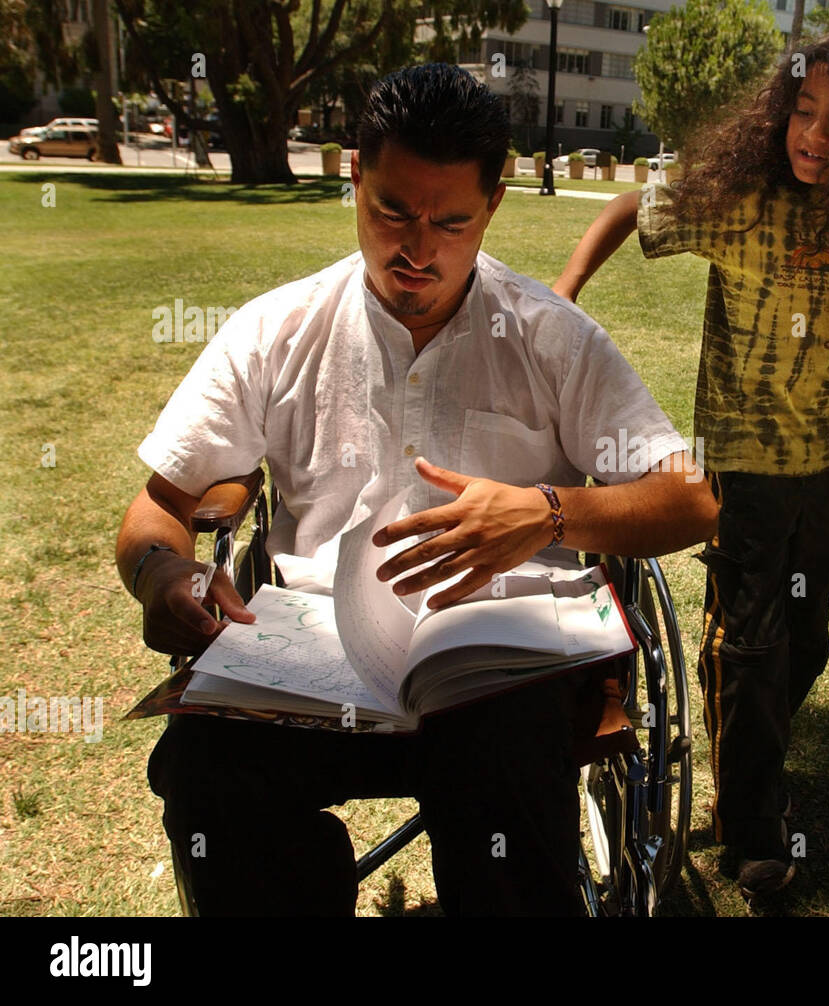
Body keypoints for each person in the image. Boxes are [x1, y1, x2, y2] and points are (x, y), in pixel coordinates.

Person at [115, 63, 717, 917]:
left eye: (452, 222)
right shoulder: (277, 329)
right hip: (311, 667)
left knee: (505, 782)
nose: (417, 249)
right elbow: (160, 509)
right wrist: (160, 575)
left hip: (498, 665)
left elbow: (689, 499)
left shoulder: (549, 336)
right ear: (355, 176)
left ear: (494, 206)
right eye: (392, 211)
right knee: (205, 772)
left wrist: (547, 513)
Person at [553, 26, 829, 900]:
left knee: (806, 644)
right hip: (743, 466)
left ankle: (745, 754)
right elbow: (625, 209)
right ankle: (755, 825)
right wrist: (563, 296)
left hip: (821, 460)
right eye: (805, 112)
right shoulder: (738, 202)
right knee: (751, 649)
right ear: (779, 115)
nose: (818, 134)